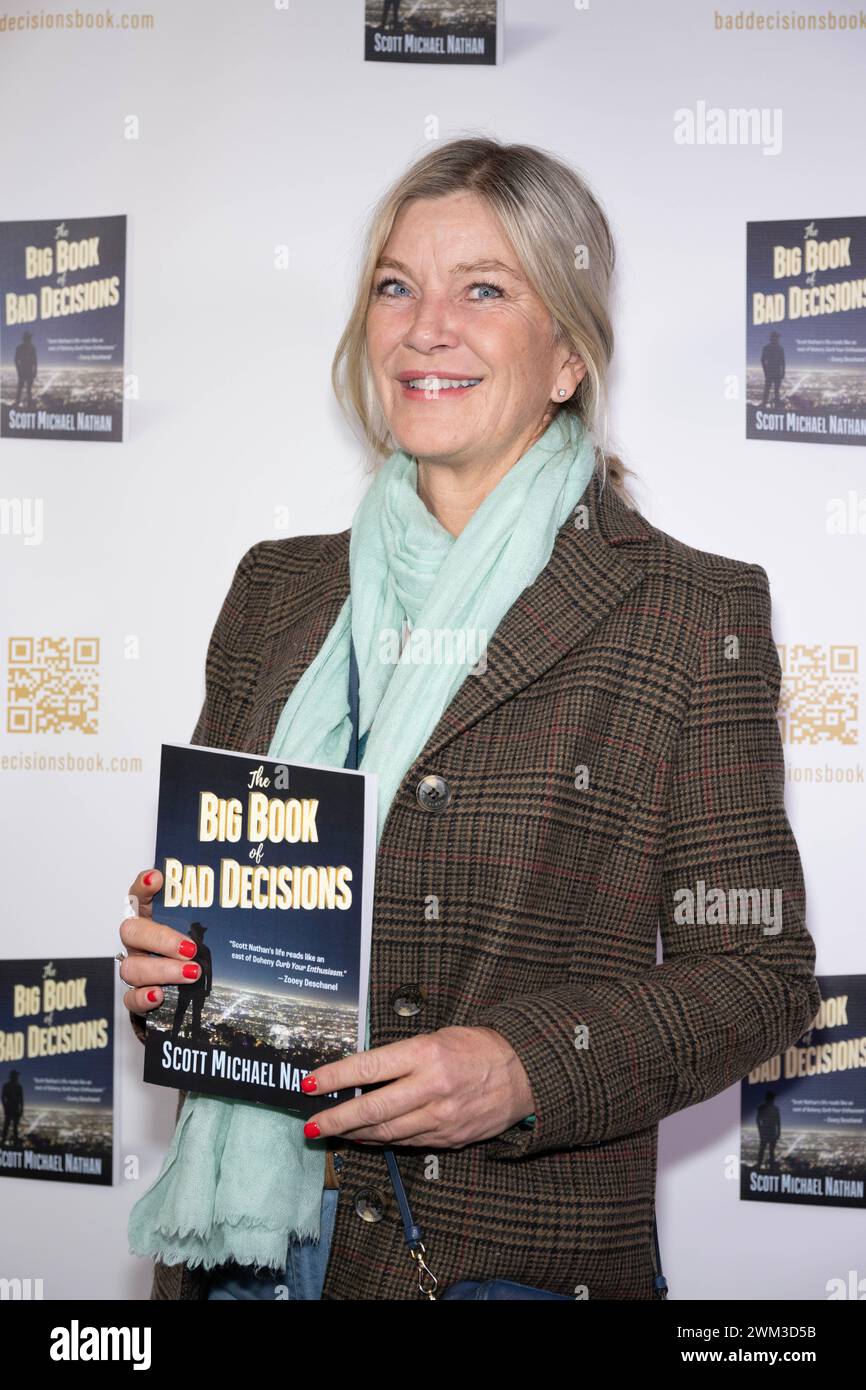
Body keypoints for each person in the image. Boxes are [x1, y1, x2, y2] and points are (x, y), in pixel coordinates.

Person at [119, 136, 821, 1301]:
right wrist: (171, 974)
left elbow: (756, 971)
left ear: (566, 358)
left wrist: (521, 1067)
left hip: (502, 1267)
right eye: (395, 285)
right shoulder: (277, 590)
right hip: (245, 1259)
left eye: (482, 289)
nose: (423, 325)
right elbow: (227, 938)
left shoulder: (689, 609)